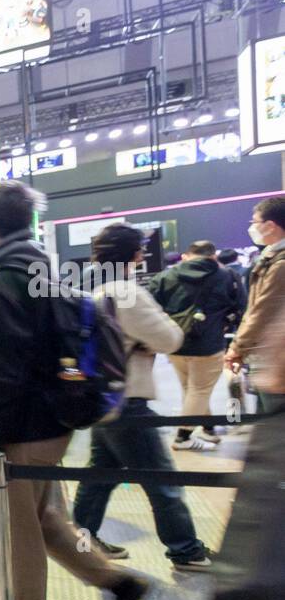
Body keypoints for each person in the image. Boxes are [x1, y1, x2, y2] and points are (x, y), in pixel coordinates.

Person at [0, 180, 148, 600]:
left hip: (20, 428)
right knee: (44, 519)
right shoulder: (41, 267)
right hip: (53, 419)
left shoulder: (5, 277)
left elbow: (1, 365)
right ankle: (118, 582)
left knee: (14, 529)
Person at [71, 223, 211, 570]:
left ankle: (81, 540)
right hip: (128, 399)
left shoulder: (96, 291)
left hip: (103, 397)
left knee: (99, 475)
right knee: (162, 479)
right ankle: (185, 549)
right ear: (135, 255)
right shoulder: (128, 293)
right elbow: (170, 340)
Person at [148, 240, 242, 449]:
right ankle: (183, 436)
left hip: (175, 344)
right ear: (213, 257)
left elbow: (151, 309)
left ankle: (208, 429)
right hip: (209, 343)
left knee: (191, 388)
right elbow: (240, 308)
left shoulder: (164, 277)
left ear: (185, 256)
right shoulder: (227, 276)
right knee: (200, 389)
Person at [227, 196, 285, 415]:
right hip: (266, 353)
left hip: (275, 358)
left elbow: (261, 310)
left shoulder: (280, 264)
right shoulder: (270, 257)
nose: (252, 228)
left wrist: (237, 347)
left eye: (255, 222)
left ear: (270, 226)